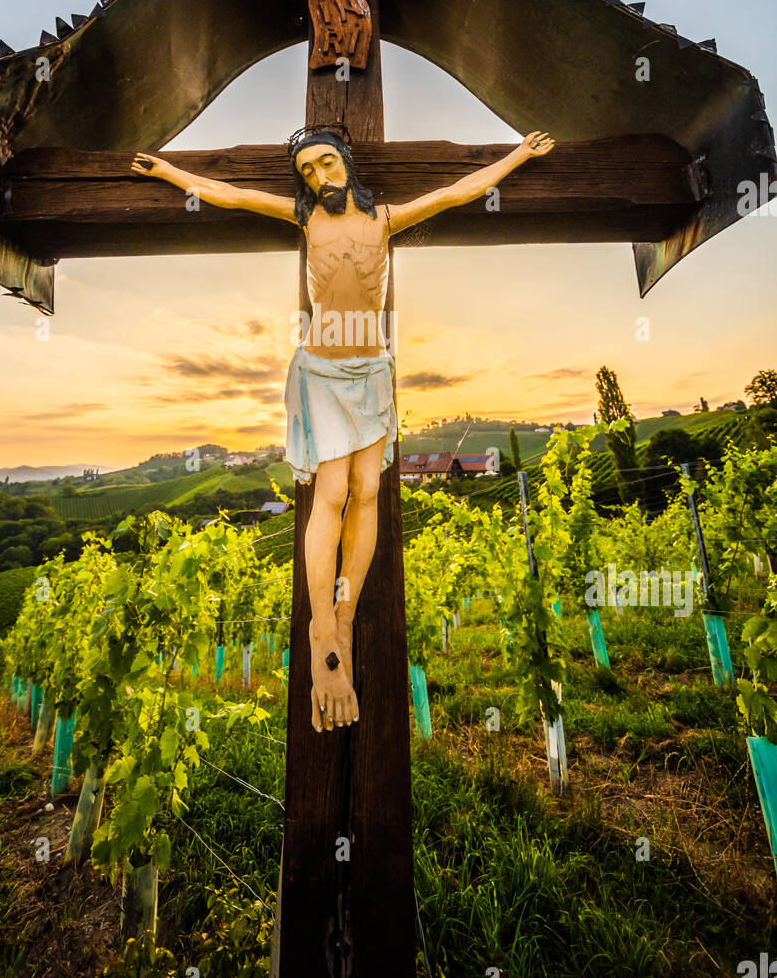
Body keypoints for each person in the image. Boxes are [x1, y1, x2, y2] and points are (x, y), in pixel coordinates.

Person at [132, 126, 555, 732]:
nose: (318, 176)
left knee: (366, 493)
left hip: (373, 371)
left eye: (326, 162)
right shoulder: (305, 221)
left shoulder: (385, 218)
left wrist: (517, 156)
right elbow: (227, 194)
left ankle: (346, 609)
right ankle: (319, 628)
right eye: (307, 170)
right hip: (323, 372)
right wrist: (171, 173)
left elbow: (460, 192)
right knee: (329, 495)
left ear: (347, 163)